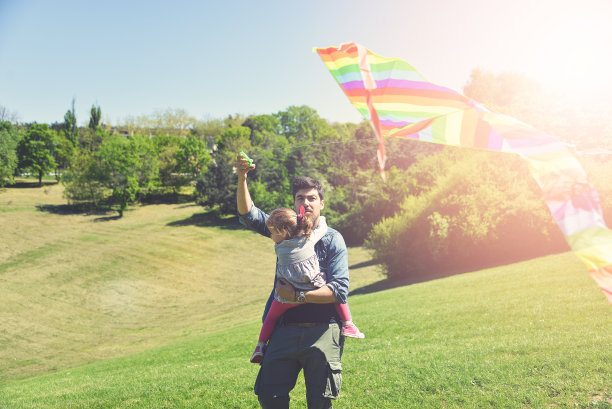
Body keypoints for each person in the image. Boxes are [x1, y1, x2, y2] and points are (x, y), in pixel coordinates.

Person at [237, 154, 350, 409]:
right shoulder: (285, 229)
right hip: (283, 330)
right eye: (301, 198)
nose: (306, 202)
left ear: (322, 203)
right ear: (294, 202)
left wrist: (298, 297)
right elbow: (249, 215)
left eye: (312, 198)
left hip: (323, 329)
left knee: (319, 402)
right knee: (270, 397)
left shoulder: (333, 239)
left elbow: (339, 290)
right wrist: (242, 178)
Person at [250, 206, 364, 363]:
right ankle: (348, 323)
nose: (271, 236)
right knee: (336, 293)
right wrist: (319, 220)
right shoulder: (308, 240)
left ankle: (260, 345)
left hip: (286, 295)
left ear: (283, 232)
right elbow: (322, 228)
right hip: (313, 286)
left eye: (272, 232)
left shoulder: (279, 247)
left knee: (271, 316)